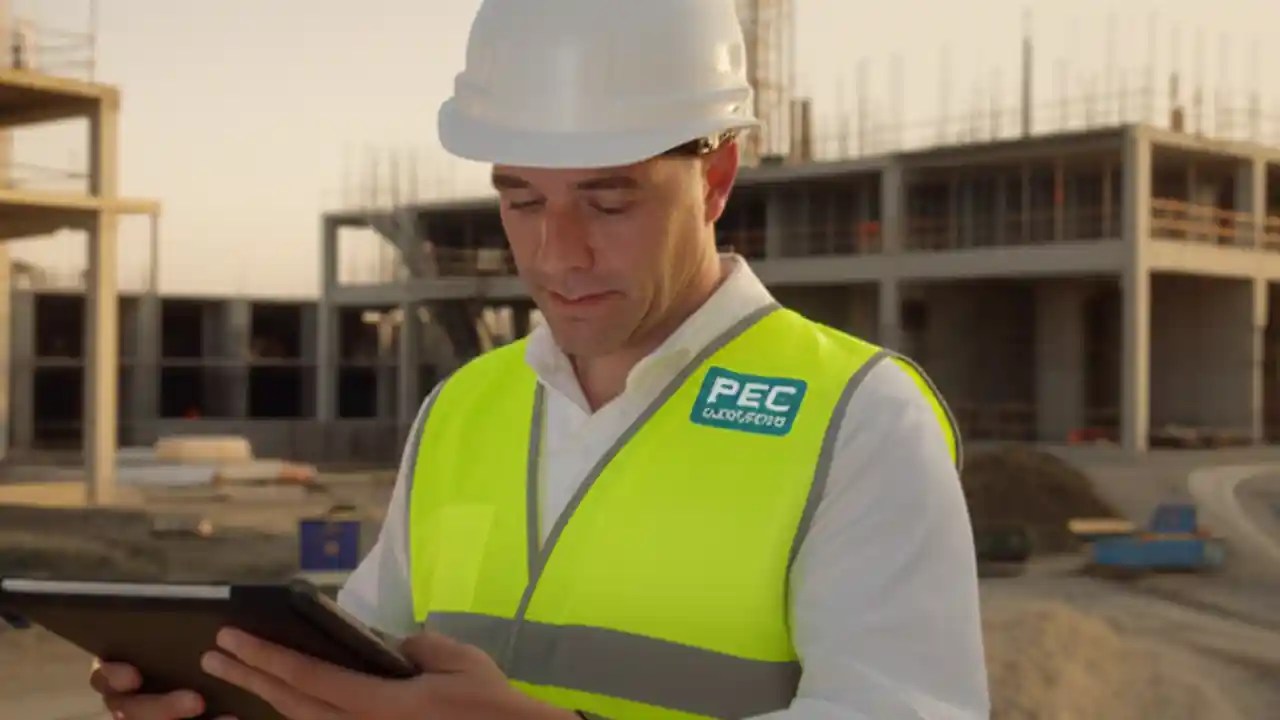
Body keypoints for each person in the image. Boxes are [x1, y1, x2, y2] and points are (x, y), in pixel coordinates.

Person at [89, 1, 990, 718]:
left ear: (715, 181)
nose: (558, 256)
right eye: (521, 201)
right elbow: (366, 659)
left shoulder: (856, 417)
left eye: (607, 203)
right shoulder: (463, 408)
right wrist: (244, 701)